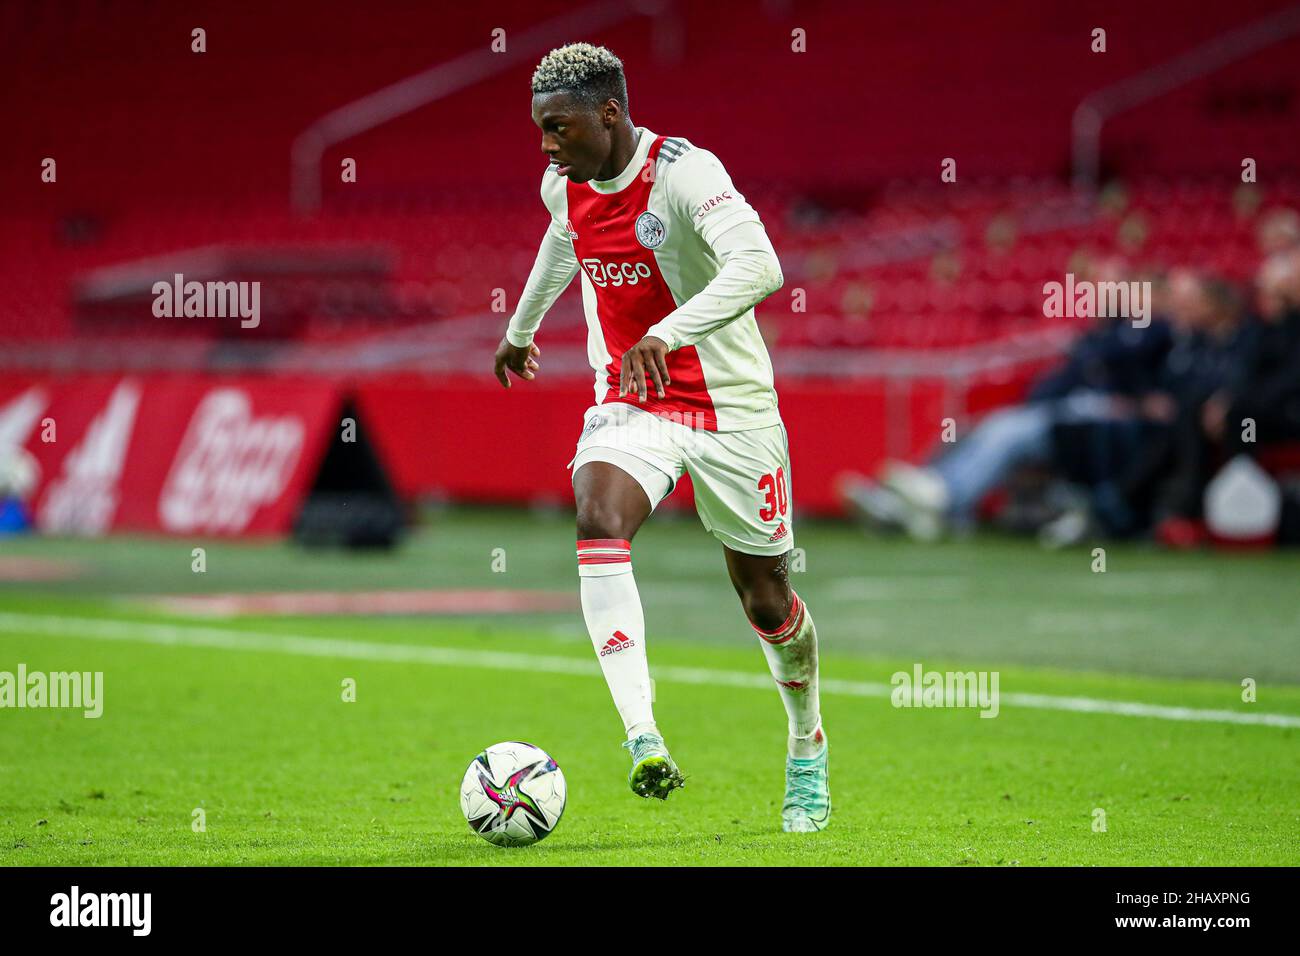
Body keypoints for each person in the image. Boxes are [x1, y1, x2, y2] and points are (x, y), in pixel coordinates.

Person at [491, 44, 829, 832]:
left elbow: (762, 264)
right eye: (541, 130)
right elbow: (561, 238)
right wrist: (520, 328)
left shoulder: (686, 173)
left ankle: (806, 742)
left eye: (559, 127)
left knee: (766, 597)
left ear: (608, 115)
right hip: (632, 400)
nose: (547, 145)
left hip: (733, 410)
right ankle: (643, 735)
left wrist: (668, 333)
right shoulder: (563, 184)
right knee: (597, 518)